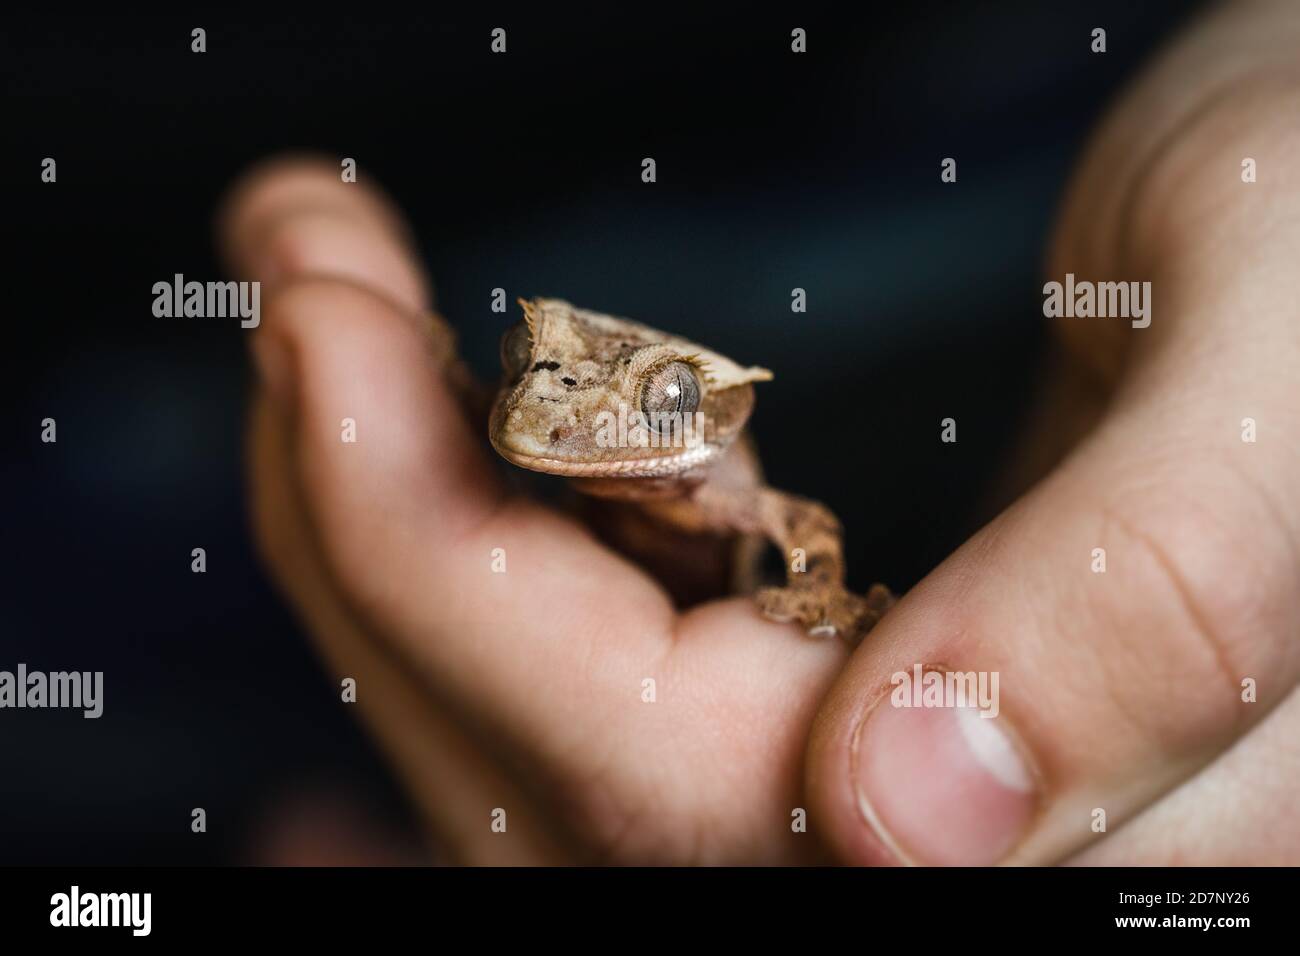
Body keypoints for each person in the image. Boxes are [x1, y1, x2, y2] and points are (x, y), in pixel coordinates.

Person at [221, 0, 1300, 865]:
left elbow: (804, 521)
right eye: (525, 369)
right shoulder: (566, 420)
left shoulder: (733, 492)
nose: (560, 411)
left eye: (660, 407)